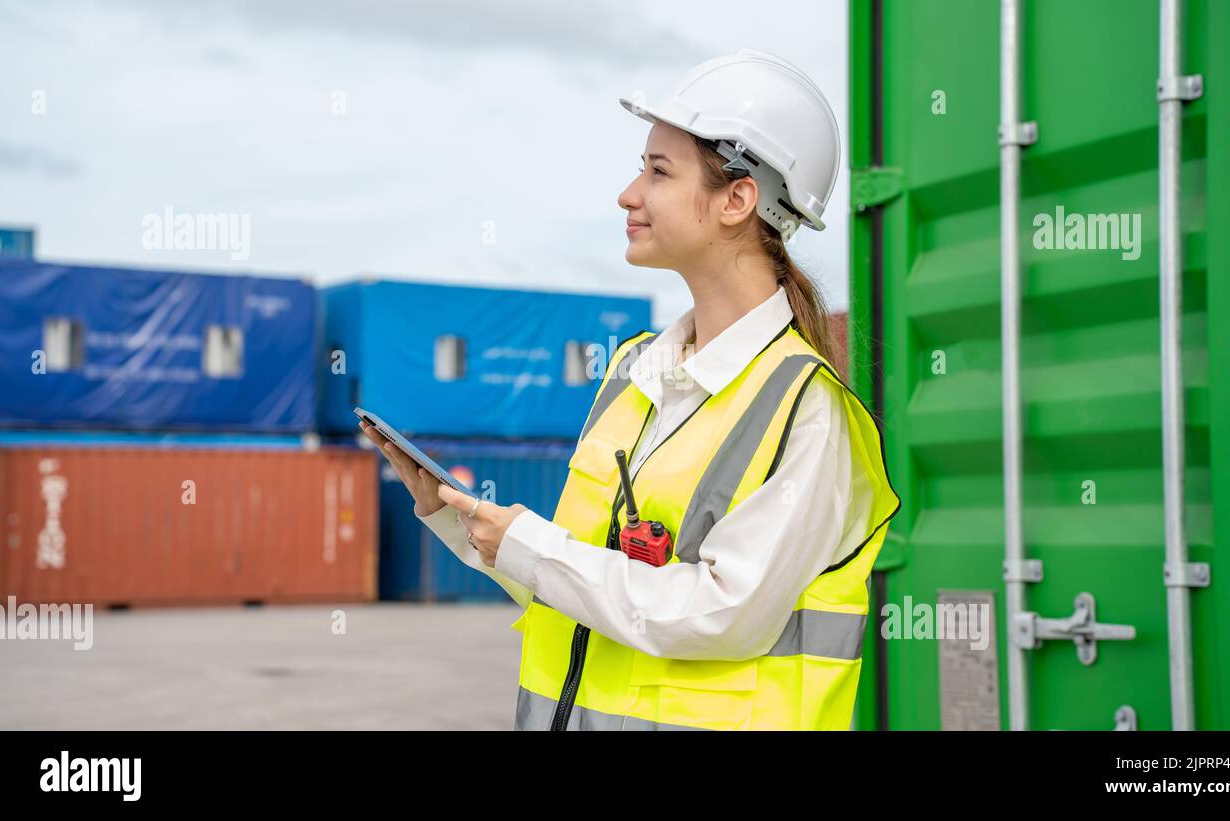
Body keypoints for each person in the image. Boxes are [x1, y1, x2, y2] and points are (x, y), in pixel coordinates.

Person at [360, 48, 900, 730]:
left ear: (738, 199)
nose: (628, 194)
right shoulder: (633, 371)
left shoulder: (807, 410)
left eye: (658, 171)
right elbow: (580, 588)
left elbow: (721, 615)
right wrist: (461, 523)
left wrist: (535, 545)